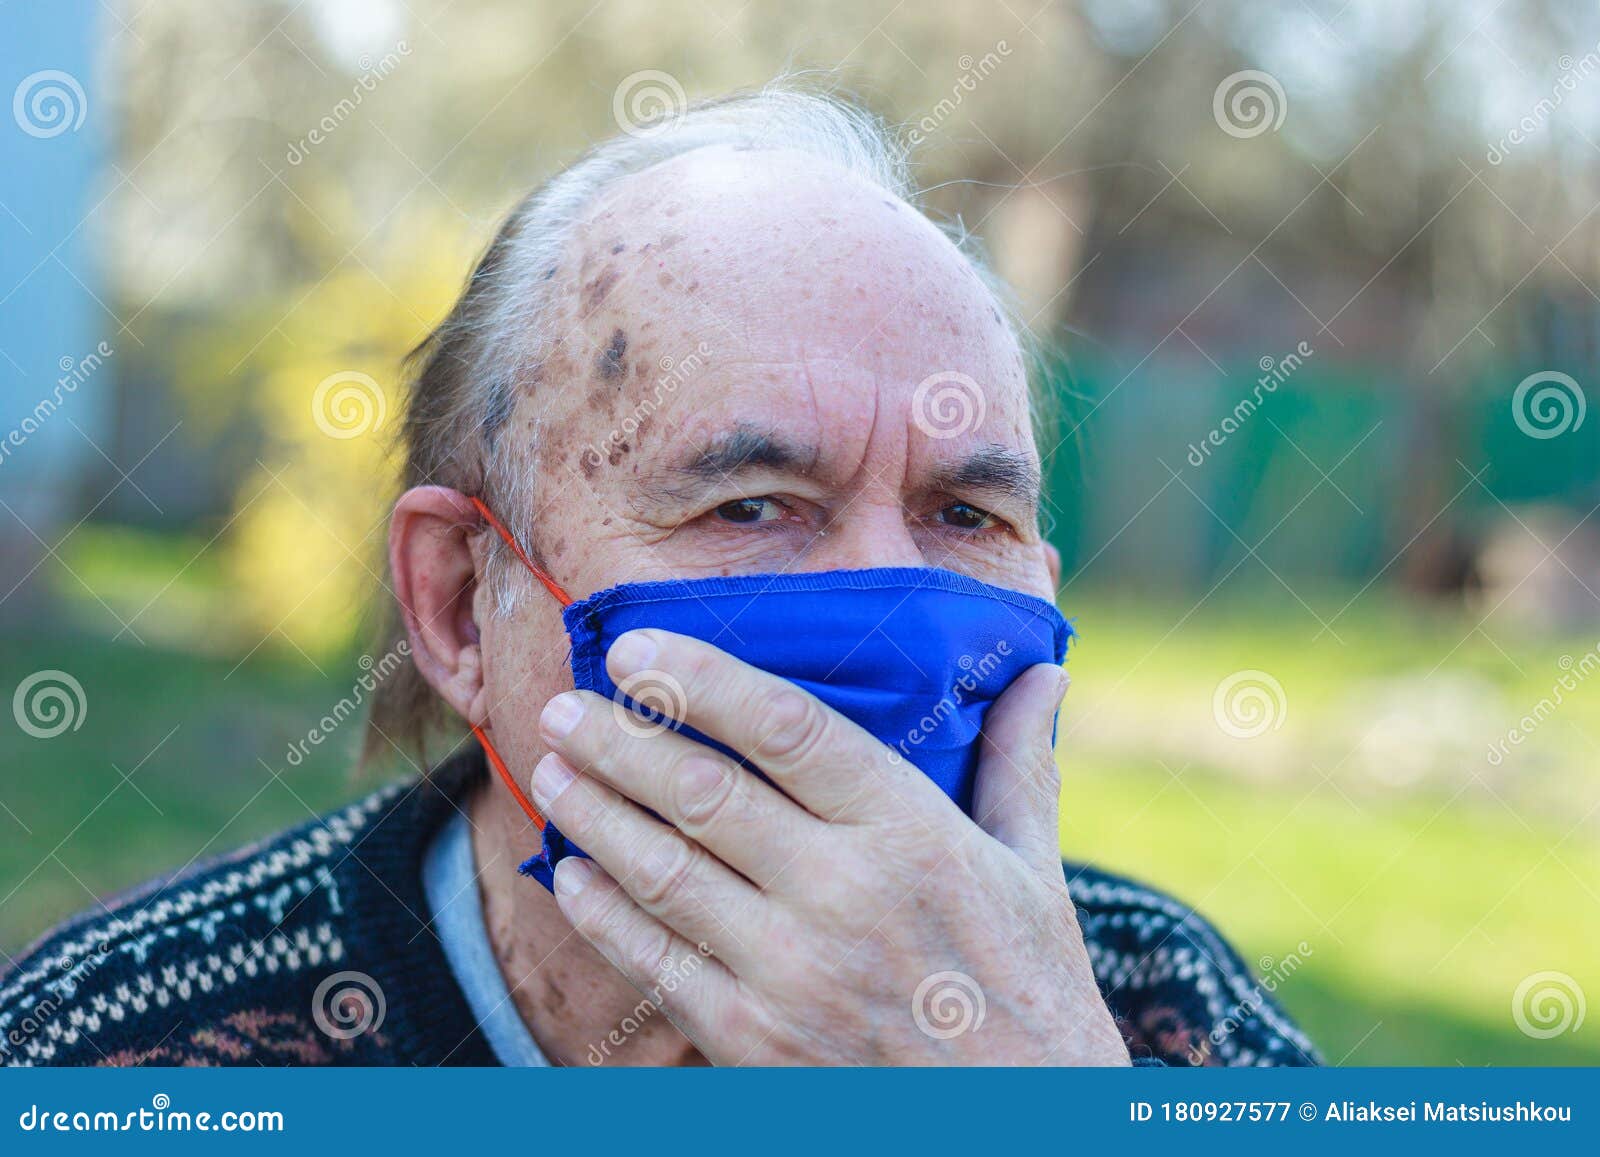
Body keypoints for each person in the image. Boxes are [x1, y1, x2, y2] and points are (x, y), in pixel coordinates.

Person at [0, 85, 1317, 1068]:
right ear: (462, 602)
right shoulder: (129, 1043)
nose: (895, 602)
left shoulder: (1163, 1014)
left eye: (964, 512)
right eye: (752, 502)